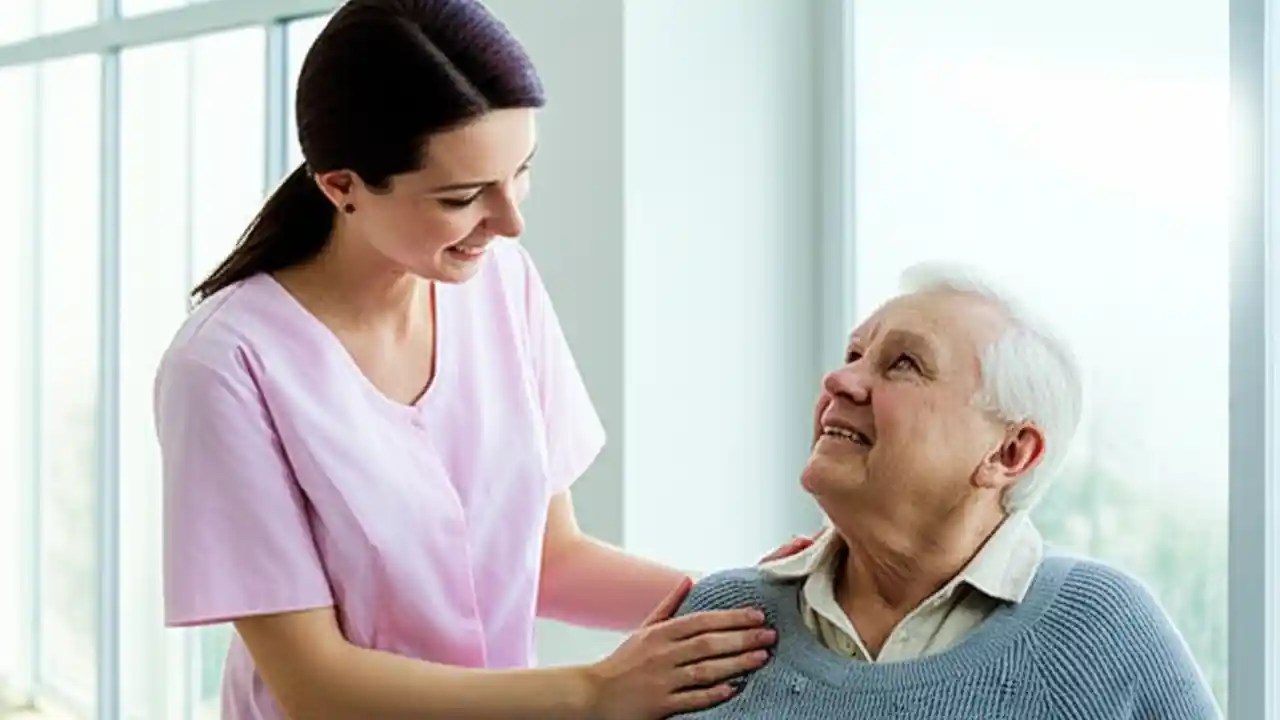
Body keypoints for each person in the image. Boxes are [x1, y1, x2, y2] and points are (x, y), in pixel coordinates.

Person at [153, 1, 805, 718]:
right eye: (463, 197)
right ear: (341, 186)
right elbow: (313, 682)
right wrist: (594, 692)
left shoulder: (504, 282)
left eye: (521, 171)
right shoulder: (227, 364)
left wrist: (752, 610)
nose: (510, 219)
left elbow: (552, 560)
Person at [670, 263, 1221, 719]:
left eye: (903, 364)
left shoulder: (1099, 632)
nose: (840, 381)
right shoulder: (720, 620)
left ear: (1009, 454)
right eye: (854, 356)